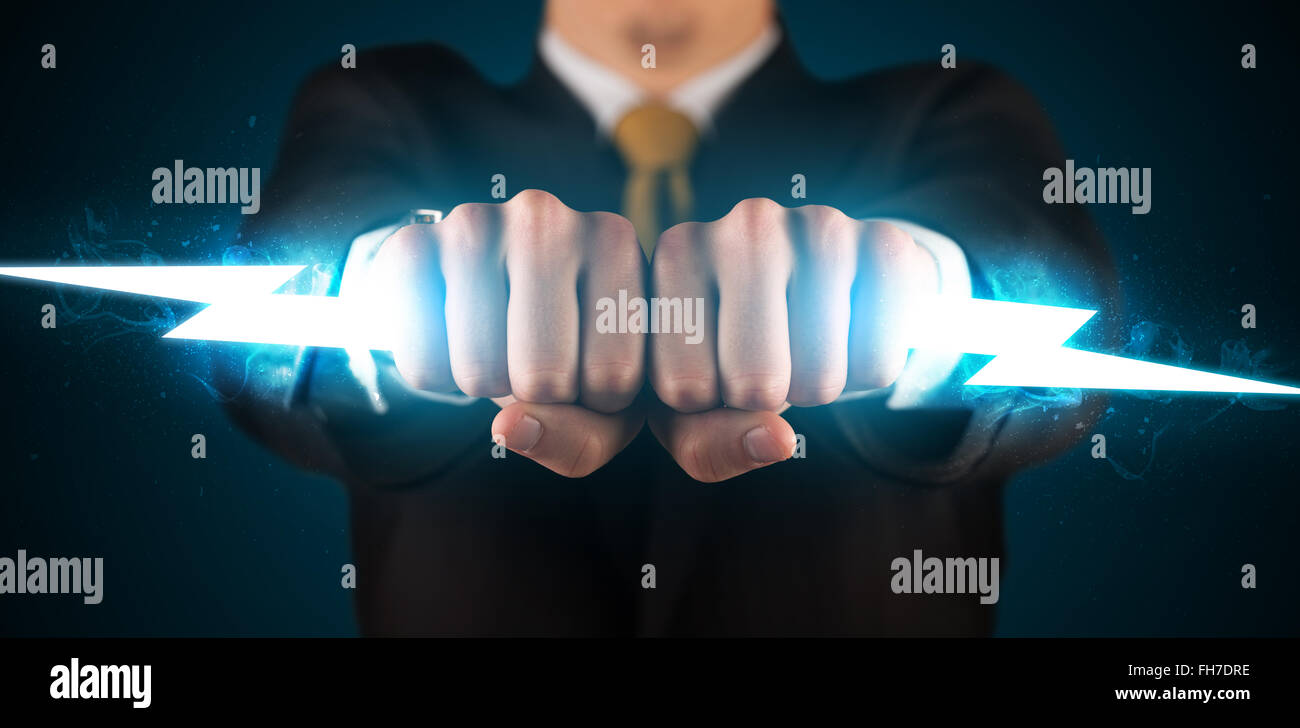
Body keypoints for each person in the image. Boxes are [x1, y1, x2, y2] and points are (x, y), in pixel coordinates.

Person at [218, 0, 1117, 635]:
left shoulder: (946, 108)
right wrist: (400, 287)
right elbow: (267, 316)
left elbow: (1062, 319)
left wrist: (912, 294)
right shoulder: (384, 101)